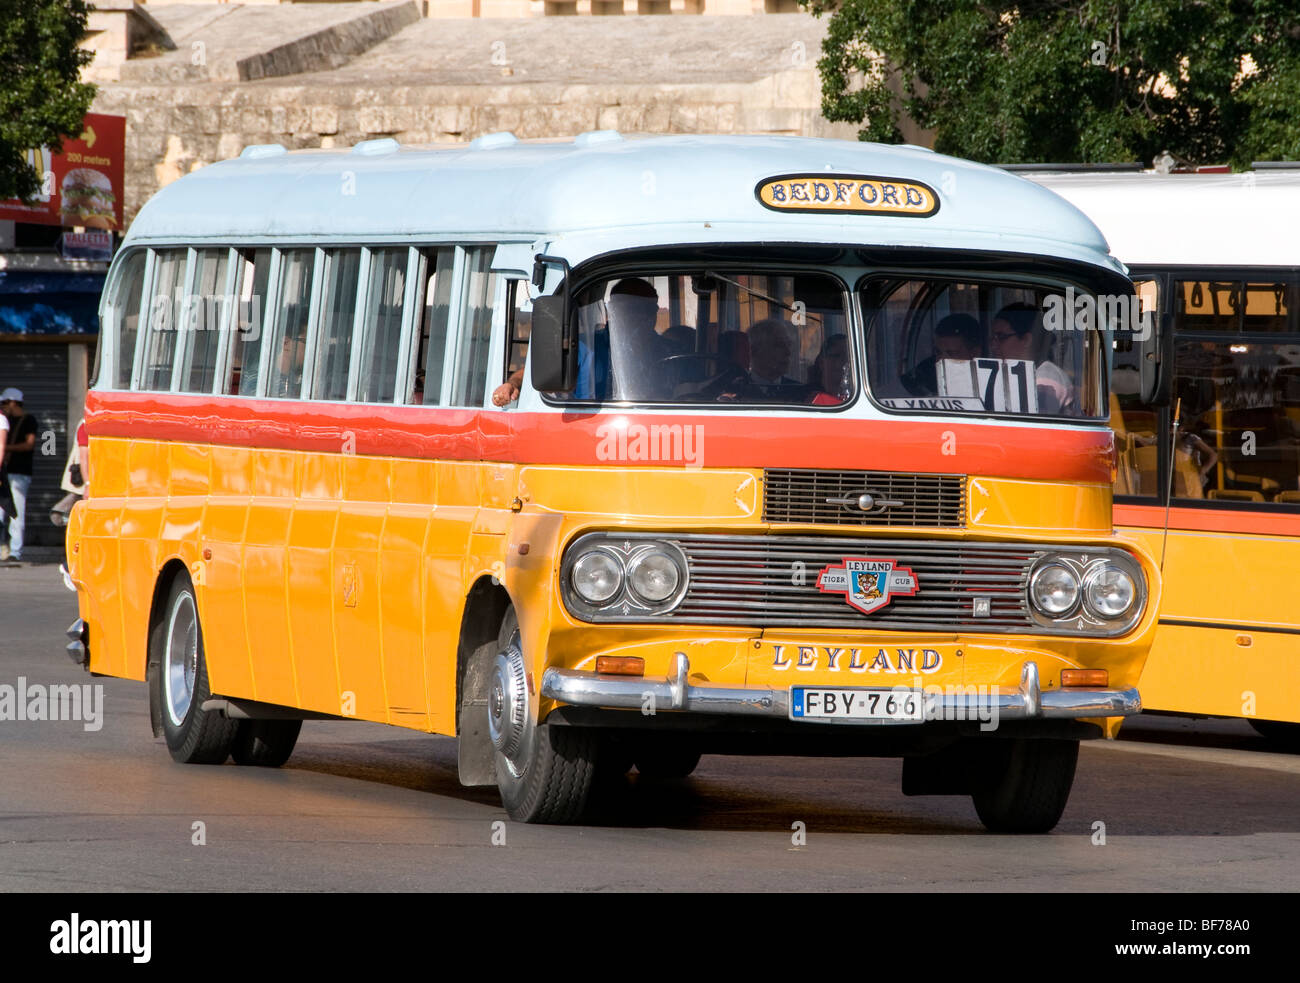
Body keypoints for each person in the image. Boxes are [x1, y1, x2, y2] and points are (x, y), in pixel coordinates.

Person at [989, 303, 1073, 413]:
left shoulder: (1047, 378)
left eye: (1001, 337)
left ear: (1026, 340)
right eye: (993, 338)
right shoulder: (1015, 373)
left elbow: (1036, 425)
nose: (993, 345)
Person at [903, 313, 983, 396]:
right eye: (938, 352)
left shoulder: (986, 380)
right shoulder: (923, 376)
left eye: (952, 353)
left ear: (975, 353)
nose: (941, 360)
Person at [1, 387, 37, 562]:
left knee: (16, 513)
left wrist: (5, 448)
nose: (3, 406)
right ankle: (4, 548)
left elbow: (30, 444)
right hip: (5, 472)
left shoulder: (29, 420)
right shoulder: (5, 420)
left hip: (19, 473)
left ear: (13, 402)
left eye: (5, 403)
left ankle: (16, 551)